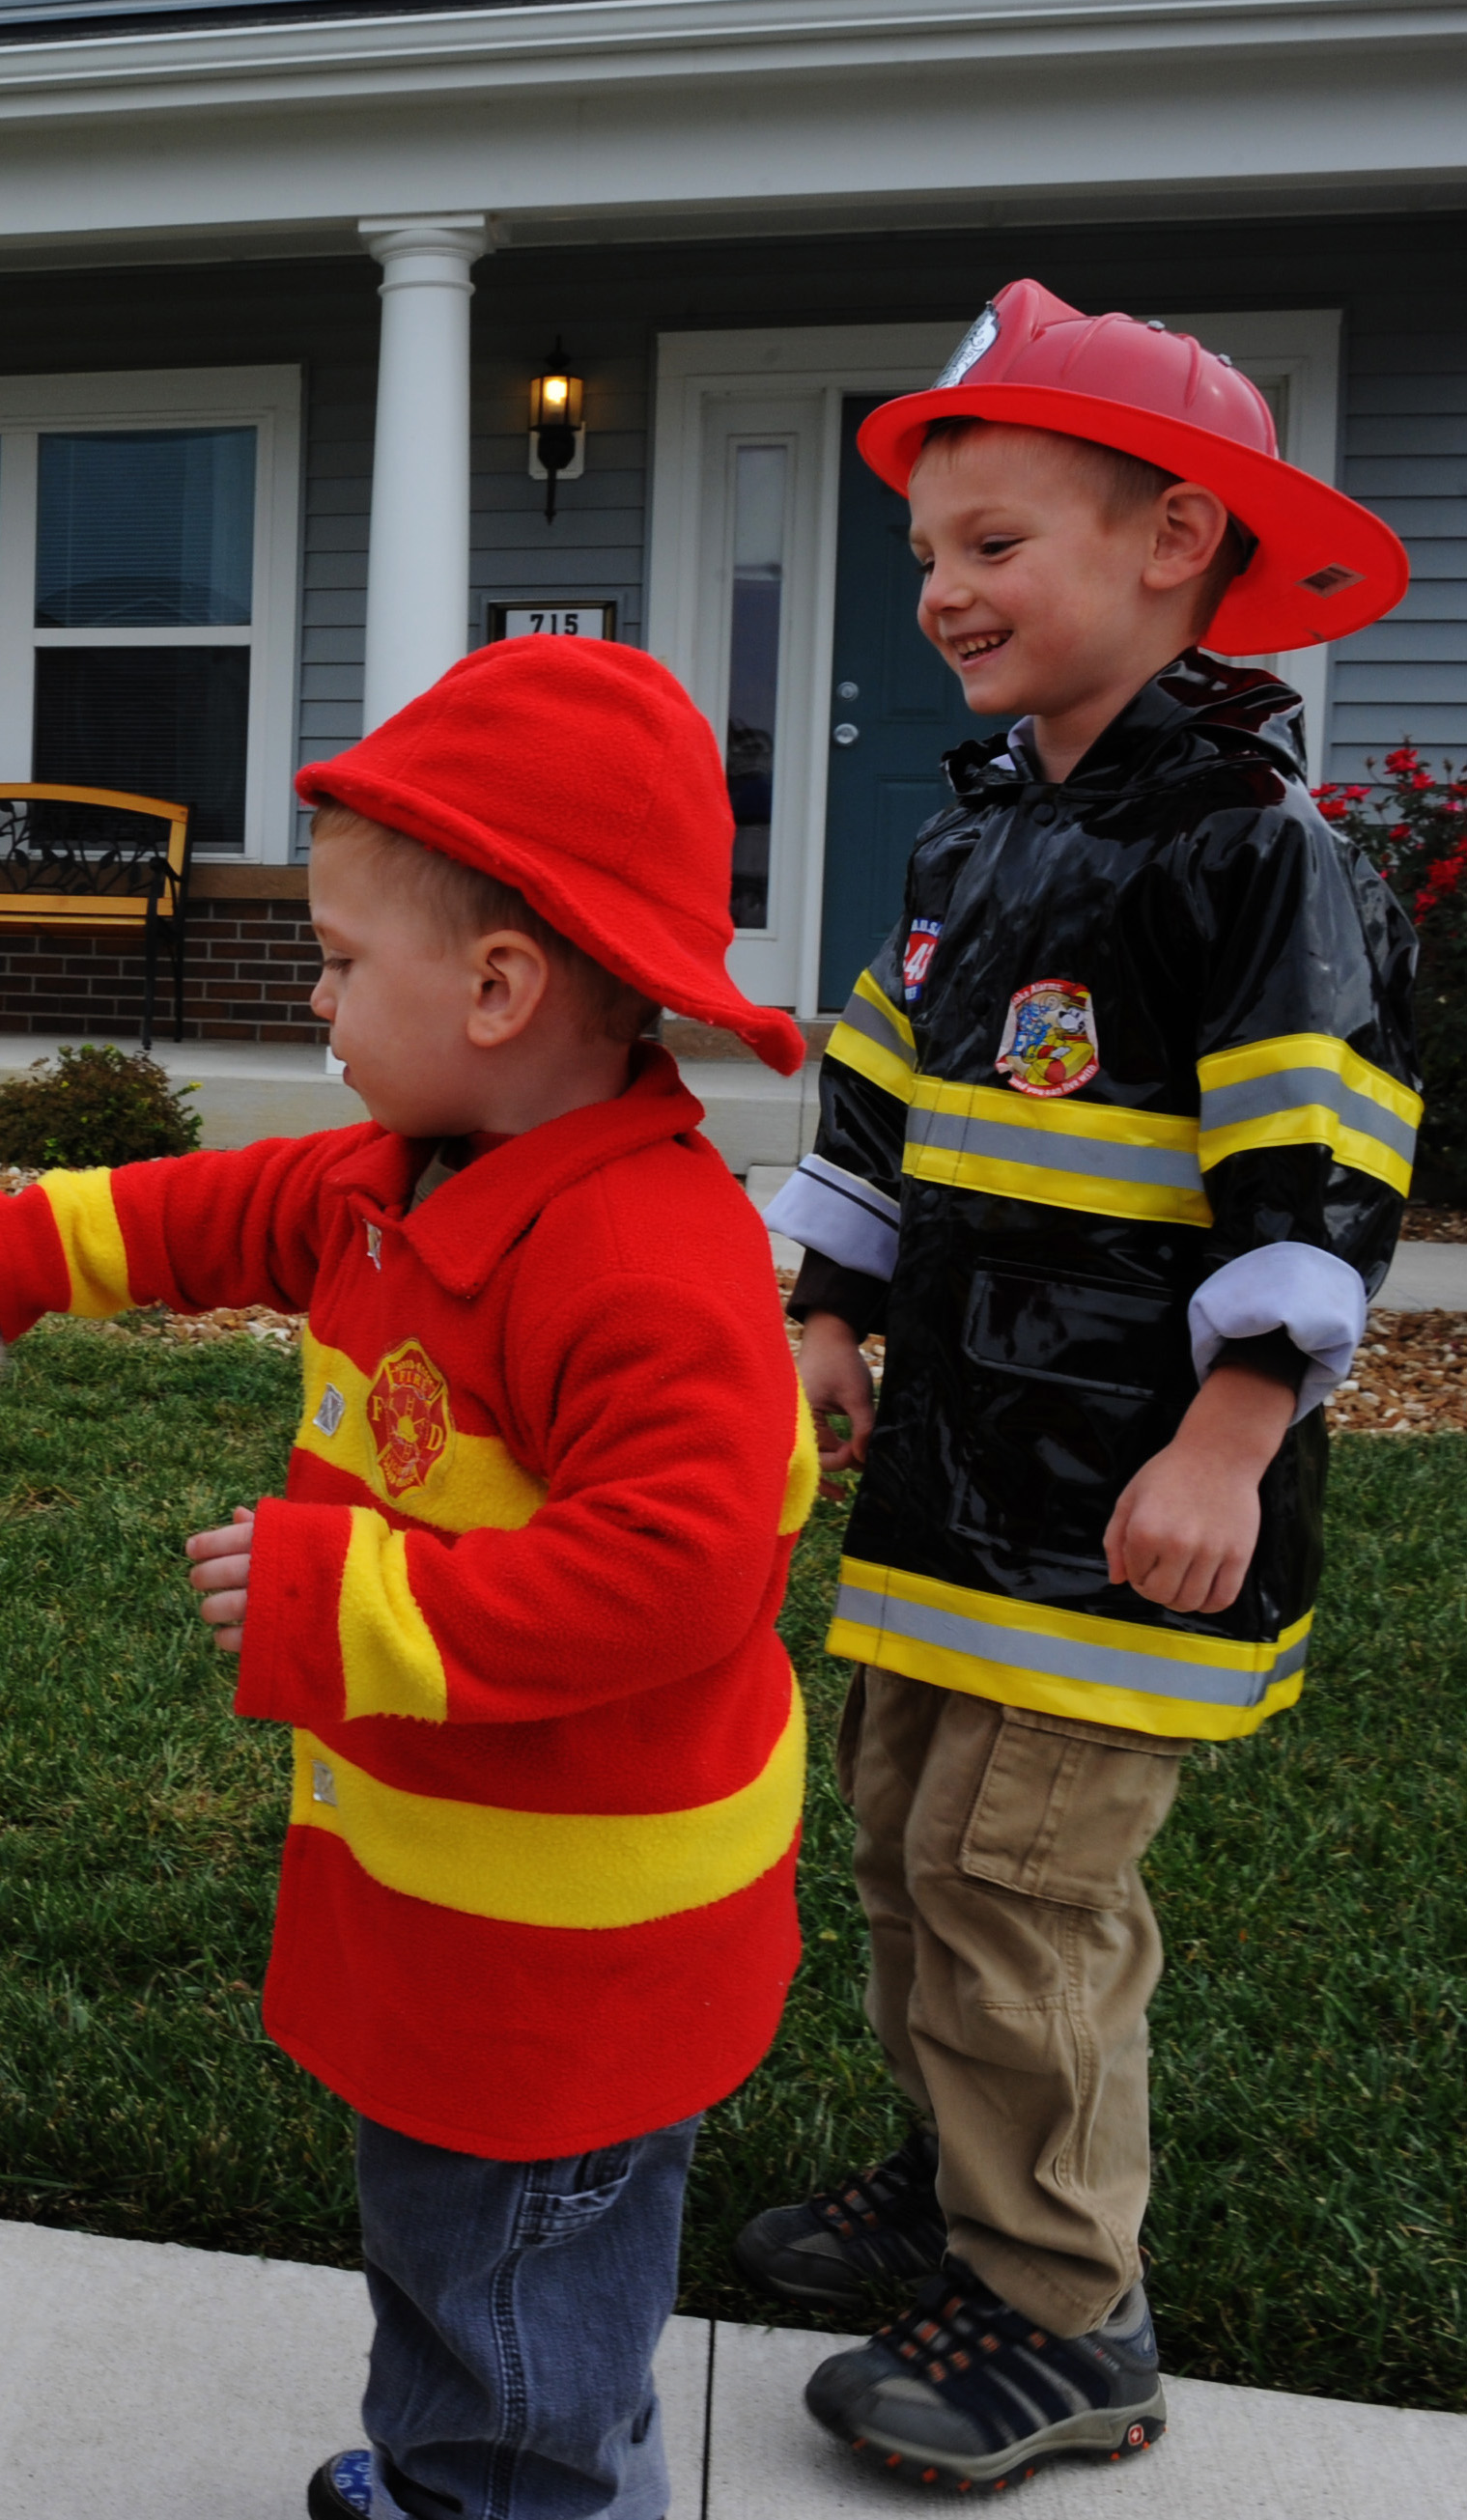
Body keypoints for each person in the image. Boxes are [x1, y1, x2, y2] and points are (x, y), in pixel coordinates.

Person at [0, 638, 815, 2520]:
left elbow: (675, 1574)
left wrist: (350, 1608)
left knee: (517, 2315)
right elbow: (233, 1207)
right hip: (478, 1921)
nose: (310, 998)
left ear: (496, 987)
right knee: (467, 2264)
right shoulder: (427, 1170)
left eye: (330, 961)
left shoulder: (642, 1259)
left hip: (569, 1974)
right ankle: (468, 2470)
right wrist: (23, 1241)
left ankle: (492, 2494)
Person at [748, 280, 1417, 2493]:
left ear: (1177, 542)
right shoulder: (966, 847)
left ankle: (1061, 2315)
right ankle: (958, 2200)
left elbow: (1316, 1177)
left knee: (1021, 1893)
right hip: (950, 1478)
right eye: (929, 550)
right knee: (903, 1852)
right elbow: (868, 1115)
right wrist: (825, 1323)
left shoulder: (1253, 857)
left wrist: (1234, 1432)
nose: (938, 591)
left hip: (1129, 1500)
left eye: (994, 543)